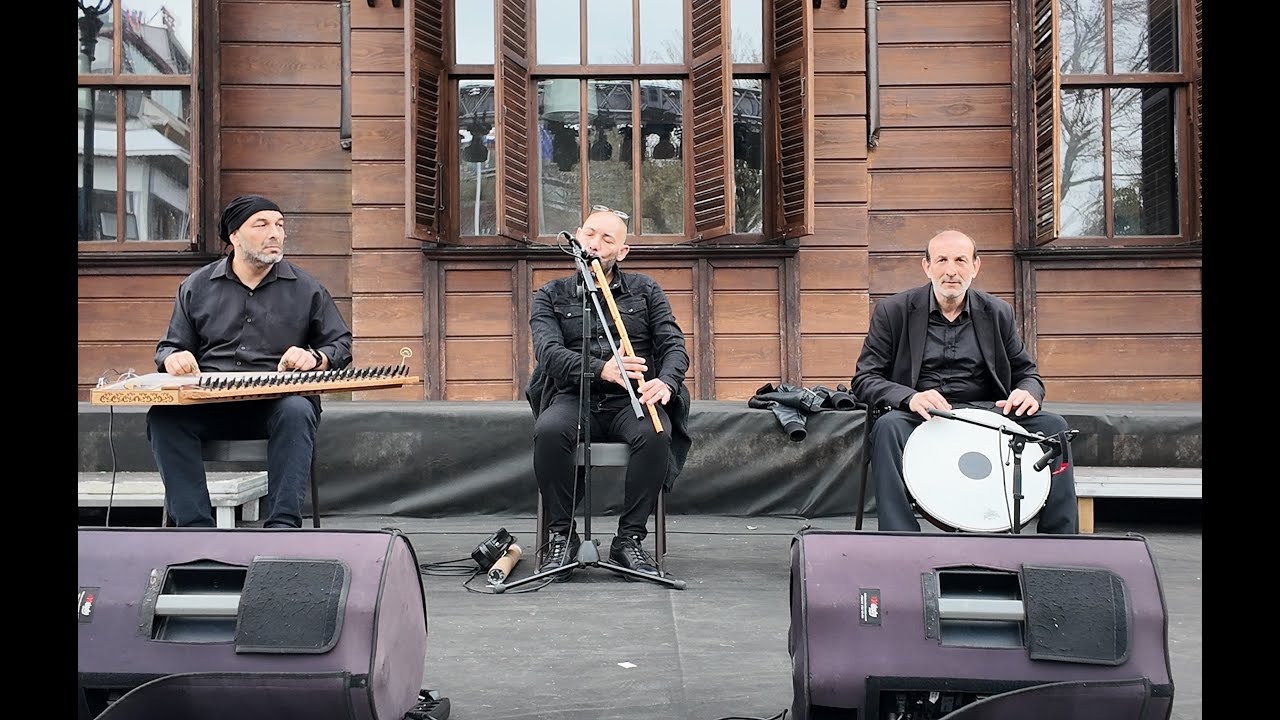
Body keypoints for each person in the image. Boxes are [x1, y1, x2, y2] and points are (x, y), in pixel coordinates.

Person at [850, 229, 1078, 533]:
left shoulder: (997, 312)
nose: (951, 271)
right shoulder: (894, 311)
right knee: (886, 428)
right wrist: (910, 397)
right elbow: (864, 379)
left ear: (975, 266)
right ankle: (901, 538)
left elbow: (1027, 373)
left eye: (960, 260)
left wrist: (1028, 392)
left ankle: (1060, 540)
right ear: (927, 266)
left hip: (986, 412)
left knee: (1055, 428)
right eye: (941, 260)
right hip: (923, 415)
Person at [146, 194, 353, 528]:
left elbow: (340, 344)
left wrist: (315, 357)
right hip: (210, 404)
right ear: (235, 236)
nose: (275, 233)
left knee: (297, 410)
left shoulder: (306, 288)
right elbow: (169, 347)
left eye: (280, 225)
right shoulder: (196, 286)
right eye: (262, 225)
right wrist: (174, 358)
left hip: (275, 404)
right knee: (164, 417)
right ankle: (195, 529)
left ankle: (282, 527)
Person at [527, 206, 692, 580]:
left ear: (622, 251)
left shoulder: (646, 290)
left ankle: (628, 540)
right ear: (576, 237)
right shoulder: (551, 295)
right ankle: (562, 537)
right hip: (573, 395)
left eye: (606, 239)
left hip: (631, 399)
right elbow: (548, 353)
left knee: (656, 435)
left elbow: (673, 344)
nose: (595, 244)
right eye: (589, 234)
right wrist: (601, 369)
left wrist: (666, 382)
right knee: (549, 431)